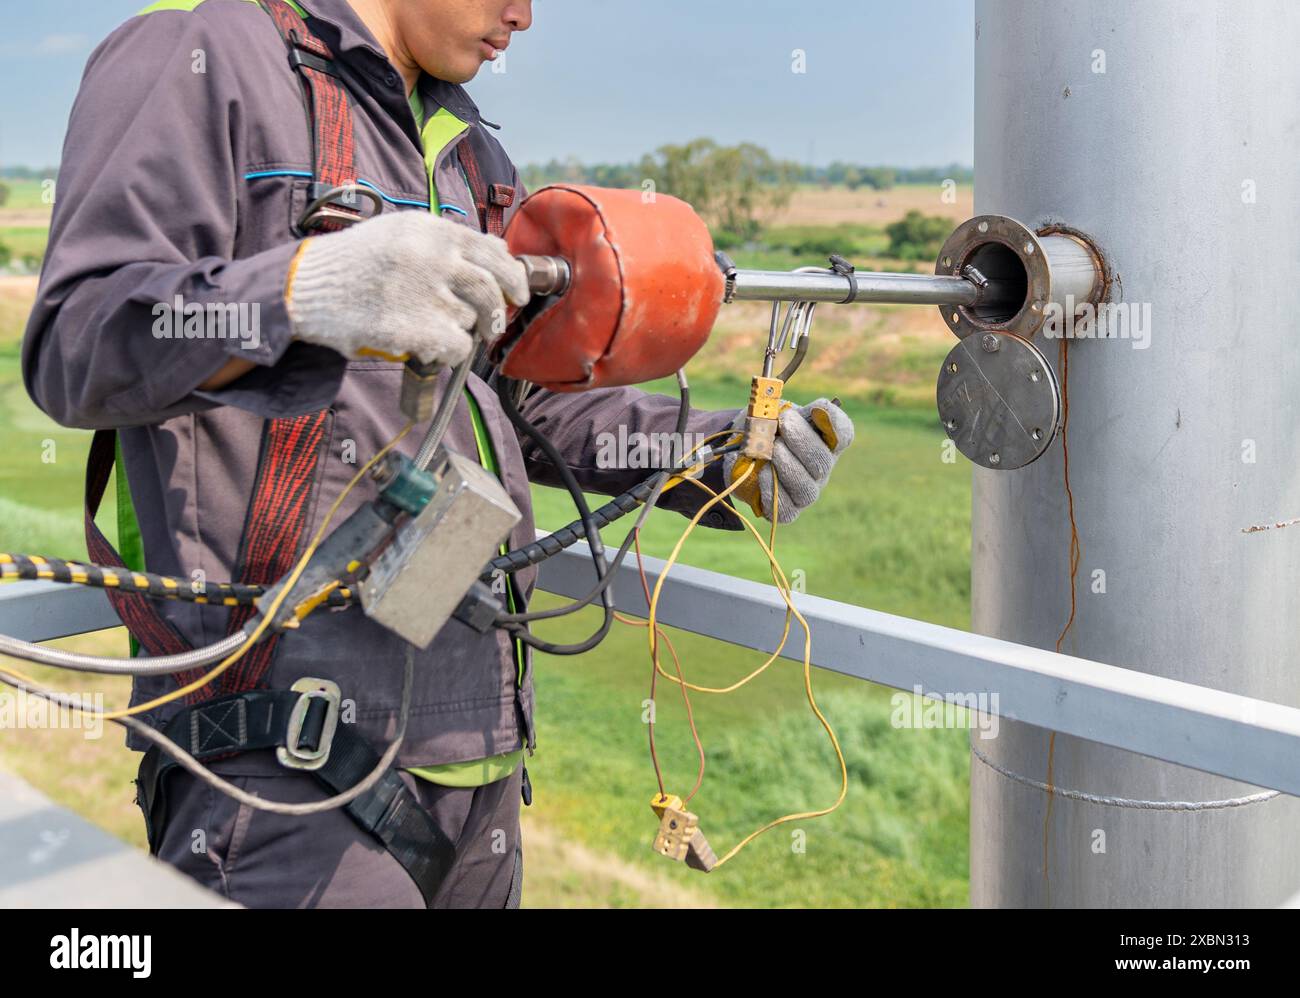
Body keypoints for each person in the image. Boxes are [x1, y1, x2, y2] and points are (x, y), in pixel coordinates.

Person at [22, 0, 853, 908]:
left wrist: (716, 457)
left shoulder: (464, 145)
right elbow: (79, 339)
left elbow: (523, 395)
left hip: (478, 760)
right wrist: (304, 291)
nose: (525, 18)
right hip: (283, 763)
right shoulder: (202, 51)